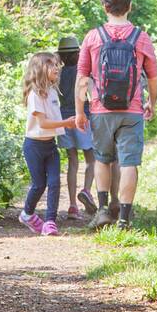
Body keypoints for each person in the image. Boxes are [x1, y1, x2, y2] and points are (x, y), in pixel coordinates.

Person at [75, 0, 157, 230]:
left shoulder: (93, 37)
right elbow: (153, 77)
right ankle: (124, 219)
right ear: (130, 7)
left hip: (101, 110)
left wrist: (80, 110)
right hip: (131, 111)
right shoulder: (141, 38)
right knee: (129, 162)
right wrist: (151, 102)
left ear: (104, 7)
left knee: (102, 159)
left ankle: (101, 211)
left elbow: (83, 77)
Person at [19, 51, 77, 236]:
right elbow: (43, 123)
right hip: (34, 146)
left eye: (57, 64)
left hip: (50, 145)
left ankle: (50, 222)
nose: (57, 68)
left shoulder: (52, 92)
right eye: (51, 65)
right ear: (40, 69)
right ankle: (27, 213)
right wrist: (67, 123)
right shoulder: (34, 95)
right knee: (39, 184)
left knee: (54, 183)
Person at [55, 33, 95, 219]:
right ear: (77, 54)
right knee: (91, 158)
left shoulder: (57, 74)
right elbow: (92, 97)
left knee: (72, 161)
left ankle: (72, 206)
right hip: (82, 117)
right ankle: (86, 190)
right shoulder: (83, 74)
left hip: (62, 118)